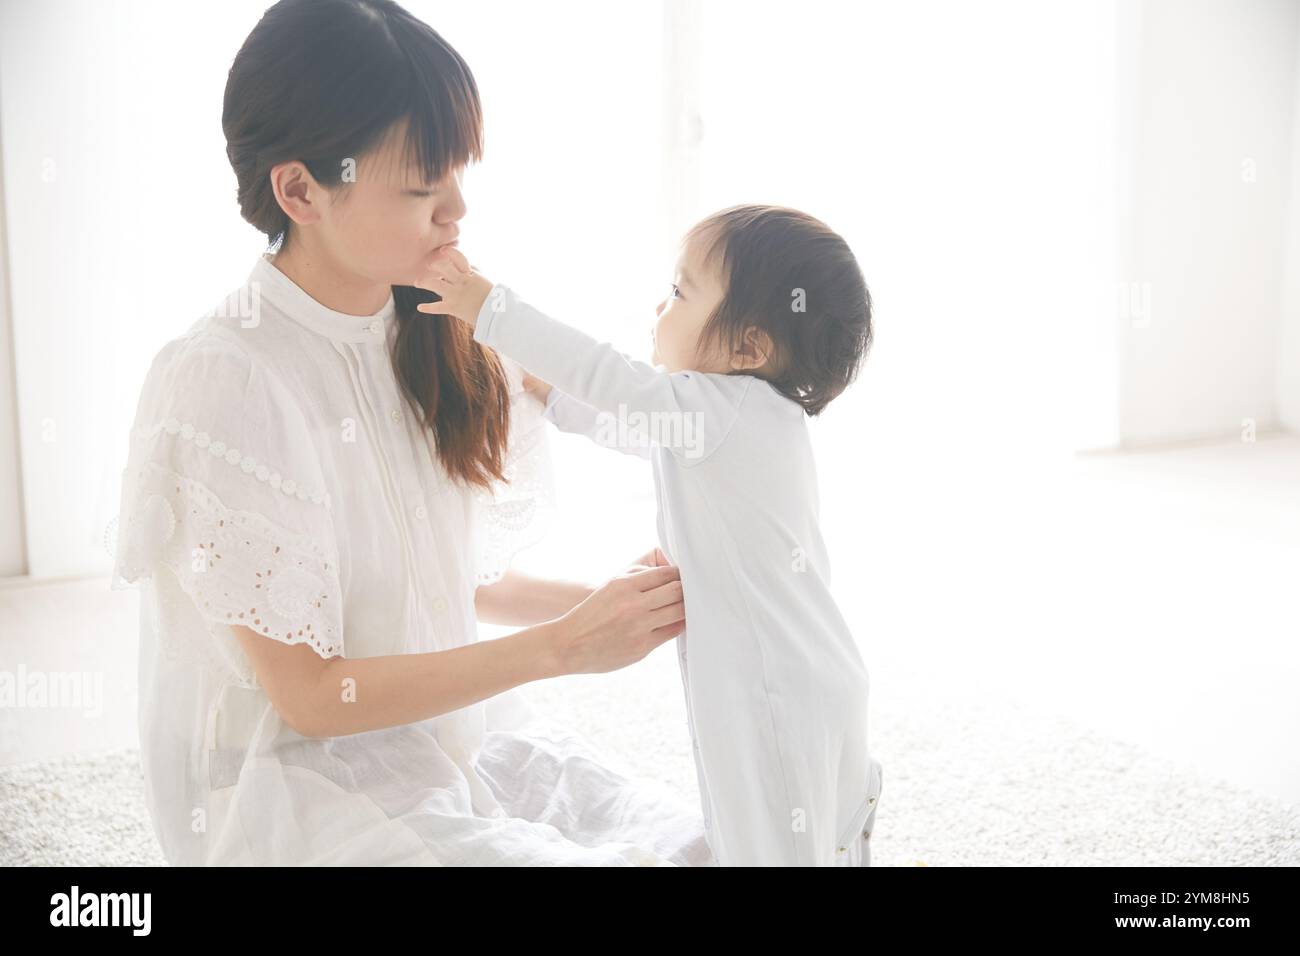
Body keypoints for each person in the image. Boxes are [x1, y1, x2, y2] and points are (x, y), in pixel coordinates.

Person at [109, 0, 712, 866]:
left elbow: (451, 580)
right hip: (293, 784)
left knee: (700, 848)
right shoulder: (225, 379)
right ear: (300, 191)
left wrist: (633, 604)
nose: (457, 208)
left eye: (457, 172)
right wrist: (563, 647)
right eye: (424, 184)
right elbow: (313, 697)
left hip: (443, 736)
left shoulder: (437, 320)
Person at [420, 203, 884, 865]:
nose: (660, 307)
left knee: (769, 838)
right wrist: (550, 397)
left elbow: (606, 375)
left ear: (748, 348)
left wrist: (487, 307)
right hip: (805, 674)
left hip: (775, 690)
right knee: (791, 828)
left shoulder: (720, 412)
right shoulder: (742, 420)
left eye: (679, 292)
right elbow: (630, 423)